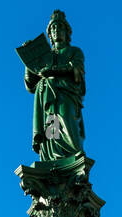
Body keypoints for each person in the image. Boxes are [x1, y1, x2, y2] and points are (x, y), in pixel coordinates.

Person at [24, 11, 86, 161]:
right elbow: (30, 83)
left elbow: (77, 70)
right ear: (50, 35)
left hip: (65, 94)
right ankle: (52, 159)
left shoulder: (74, 51)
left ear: (66, 32)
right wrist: (28, 61)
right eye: (53, 28)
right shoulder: (46, 56)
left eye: (60, 28)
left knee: (66, 121)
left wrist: (52, 71)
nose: (56, 30)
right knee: (52, 131)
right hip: (46, 98)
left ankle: (74, 158)